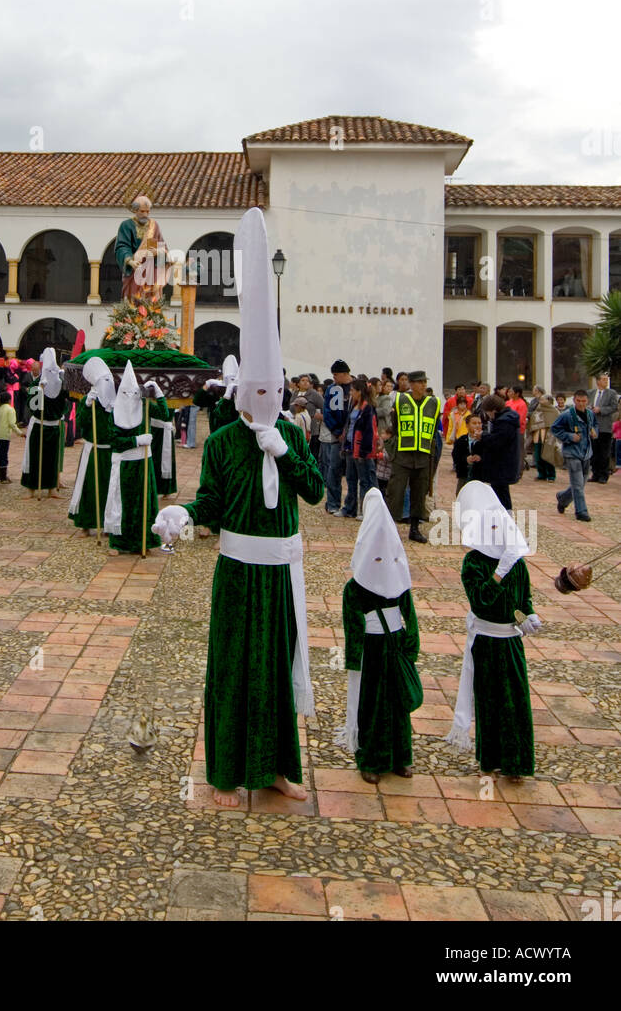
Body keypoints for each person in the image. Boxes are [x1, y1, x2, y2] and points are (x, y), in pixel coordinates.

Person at [153, 207, 324, 807]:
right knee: (231, 667)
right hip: (236, 571)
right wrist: (184, 515)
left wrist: (288, 451)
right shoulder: (224, 442)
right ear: (244, 393)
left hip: (281, 573)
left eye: (275, 391)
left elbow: (316, 493)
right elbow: (213, 501)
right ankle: (225, 771)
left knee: (277, 665)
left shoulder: (295, 435)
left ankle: (276, 767)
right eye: (259, 393)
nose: (268, 401)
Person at [446, 482, 540, 781]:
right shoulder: (473, 563)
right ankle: (491, 759)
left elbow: (519, 601)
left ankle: (517, 763)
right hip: (486, 642)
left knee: (517, 704)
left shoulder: (517, 562)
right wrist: (499, 571)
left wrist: (527, 617)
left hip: (511, 643)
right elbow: (481, 600)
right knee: (490, 703)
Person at [337, 488, 422, 783]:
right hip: (372, 650)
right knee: (371, 705)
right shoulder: (355, 588)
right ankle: (371, 759)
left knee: (398, 706)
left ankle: (401, 757)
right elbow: (352, 625)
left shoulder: (399, 578)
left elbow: (409, 615)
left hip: (394, 646)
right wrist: (354, 660)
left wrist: (410, 648)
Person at [104, 361, 161, 555]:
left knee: (143, 504)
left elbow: (164, 414)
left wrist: (158, 394)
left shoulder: (144, 406)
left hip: (144, 463)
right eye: (126, 393)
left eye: (133, 393)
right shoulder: (114, 413)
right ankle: (118, 542)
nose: (130, 397)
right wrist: (136, 440)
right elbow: (114, 440)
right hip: (124, 464)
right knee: (122, 504)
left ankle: (144, 541)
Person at [384, 371, 440, 543]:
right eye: (419, 382)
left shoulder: (433, 403)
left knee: (419, 493)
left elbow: (435, 428)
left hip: (423, 455)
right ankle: (388, 529)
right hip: (403, 452)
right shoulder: (401, 401)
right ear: (411, 384)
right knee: (396, 491)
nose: (422, 385)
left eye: (424, 382)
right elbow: (392, 424)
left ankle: (414, 528)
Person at [69, 357, 116, 537]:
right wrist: (87, 406)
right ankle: (86, 523)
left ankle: (108, 524)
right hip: (93, 449)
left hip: (111, 451)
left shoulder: (115, 403)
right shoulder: (88, 402)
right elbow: (80, 424)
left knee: (109, 488)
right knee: (89, 486)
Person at [20, 349, 67, 497]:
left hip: (53, 426)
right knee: (35, 457)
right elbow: (32, 406)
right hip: (39, 425)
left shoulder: (62, 385)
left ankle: (52, 487)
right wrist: (39, 391)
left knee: (52, 459)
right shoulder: (36, 383)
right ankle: (31, 488)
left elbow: (66, 405)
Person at [114, 194, 172, 304]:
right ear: (135, 210)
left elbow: (163, 247)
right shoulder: (126, 225)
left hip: (151, 271)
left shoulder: (154, 225)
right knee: (133, 300)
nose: (145, 215)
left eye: (147, 211)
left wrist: (159, 252)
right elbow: (122, 246)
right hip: (135, 270)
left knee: (151, 302)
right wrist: (130, 261)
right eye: (142, 211)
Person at [552, 390, 597, 522]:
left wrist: (595, 432)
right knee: (577, 484)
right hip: (572, 453)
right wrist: (570, 436)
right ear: (574, 400)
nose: (581, 404)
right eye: (578, 401)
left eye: (584, 401)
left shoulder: (590, 414)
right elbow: (555, 428)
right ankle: (581, 511)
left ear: (587, 401)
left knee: (581, 484)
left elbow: (595, 426)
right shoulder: (566, 415)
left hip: (586, 452)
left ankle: (563, 498)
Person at [472, 394, 519, 511]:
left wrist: (482, 436)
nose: (487, 415)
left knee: (501, 494)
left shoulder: (505, 422)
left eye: (487, 412)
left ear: (493, 410)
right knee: (500, 491)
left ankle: (505, 519)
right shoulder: (506, 419)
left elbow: (497, 441)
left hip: (501, 464)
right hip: (501, 463)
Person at [341, 378, 379, 519]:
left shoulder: (367, 408)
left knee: (365, 481)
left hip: (361, 450)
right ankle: (350, 508)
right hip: (351, 447)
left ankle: (365, 510)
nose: (350, 393)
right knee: (351, 479)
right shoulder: (355, 406)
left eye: (352, 390)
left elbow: (369, 431)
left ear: (359, 391)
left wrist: (364, 450)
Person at [321, 359, 351, 515]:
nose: (334, 378)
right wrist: (337, 431)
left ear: (345, 373)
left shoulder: (356, 388)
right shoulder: (332, 389)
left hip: (353, 436)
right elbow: (327, 412)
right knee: (334, 470)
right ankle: (332, 503)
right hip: (336, 437)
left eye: (336, 375)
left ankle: (352, 505)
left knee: (353, 473)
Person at [193, 355, 240, 434]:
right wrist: (206, 386)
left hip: (232, 435)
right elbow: (197, 401)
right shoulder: (216, 392)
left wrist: (229, 395)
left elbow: (225, 415)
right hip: (216, 434)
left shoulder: (239, 393)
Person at [146, 380, 177, 497]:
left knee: (163, 459)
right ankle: (153, 487)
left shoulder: (171, 396)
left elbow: (167, 415)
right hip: (154, 430)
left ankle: (165, 488)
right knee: (153, 458)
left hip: (164, 430)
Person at [588, 374, 619, 484]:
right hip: (592, 427)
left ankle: (603, 475)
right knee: (594, 451)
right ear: (598, 381)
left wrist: (601, 409)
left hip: (605, 427)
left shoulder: (611, 393)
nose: (606, 381)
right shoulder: (590, 393)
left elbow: (614, 407)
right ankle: (595, 474)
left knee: (604, 452)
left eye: (607, 379)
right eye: (604, 379)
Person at [527, 387, 558, 483]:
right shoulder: (538, 410)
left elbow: (555, 423)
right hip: (538, 435)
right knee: (538, 455)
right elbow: (533, 420)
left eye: (543, 399)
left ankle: (551, 475)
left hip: (549, 436)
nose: (541, 401)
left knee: (548, 456)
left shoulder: (554, 411)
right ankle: (541, 474)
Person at [0, 391, 23, 482]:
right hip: (5, 435)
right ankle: (3, 476)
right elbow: (12, 424)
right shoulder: (10, 409)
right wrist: (20, 433)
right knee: (4, 456)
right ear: (9, 400)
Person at [452, 413, 484, 495]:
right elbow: (455, 456)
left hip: (481, 477)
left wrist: (481, 458)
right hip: (464, 475)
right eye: (474, 423)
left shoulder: (486, 440)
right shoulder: (461, 441)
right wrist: (465, 459)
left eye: (479, 423)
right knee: (461, 497)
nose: (477, 425)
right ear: (467, 425)